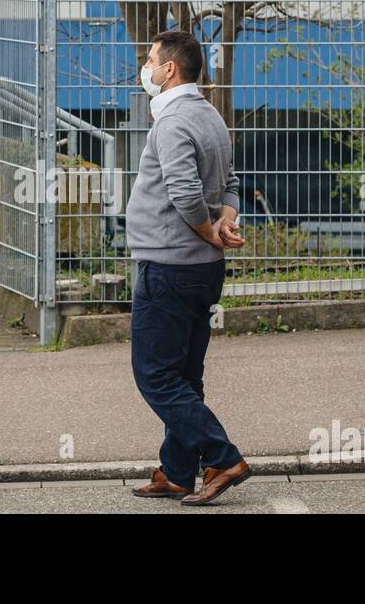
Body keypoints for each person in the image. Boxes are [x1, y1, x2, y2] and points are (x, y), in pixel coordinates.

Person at [125, 30, 249, 505]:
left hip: (169, 268)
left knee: (154, 375)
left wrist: (209, 229)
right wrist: (225, 221)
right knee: (184, 376)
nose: (147, 68)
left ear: (169, 69)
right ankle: (178, 471)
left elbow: (184, 195)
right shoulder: (210, 116)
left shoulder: (173, 123)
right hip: (201, 271)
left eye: (151, 60)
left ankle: (222, 457)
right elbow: (231, 183)